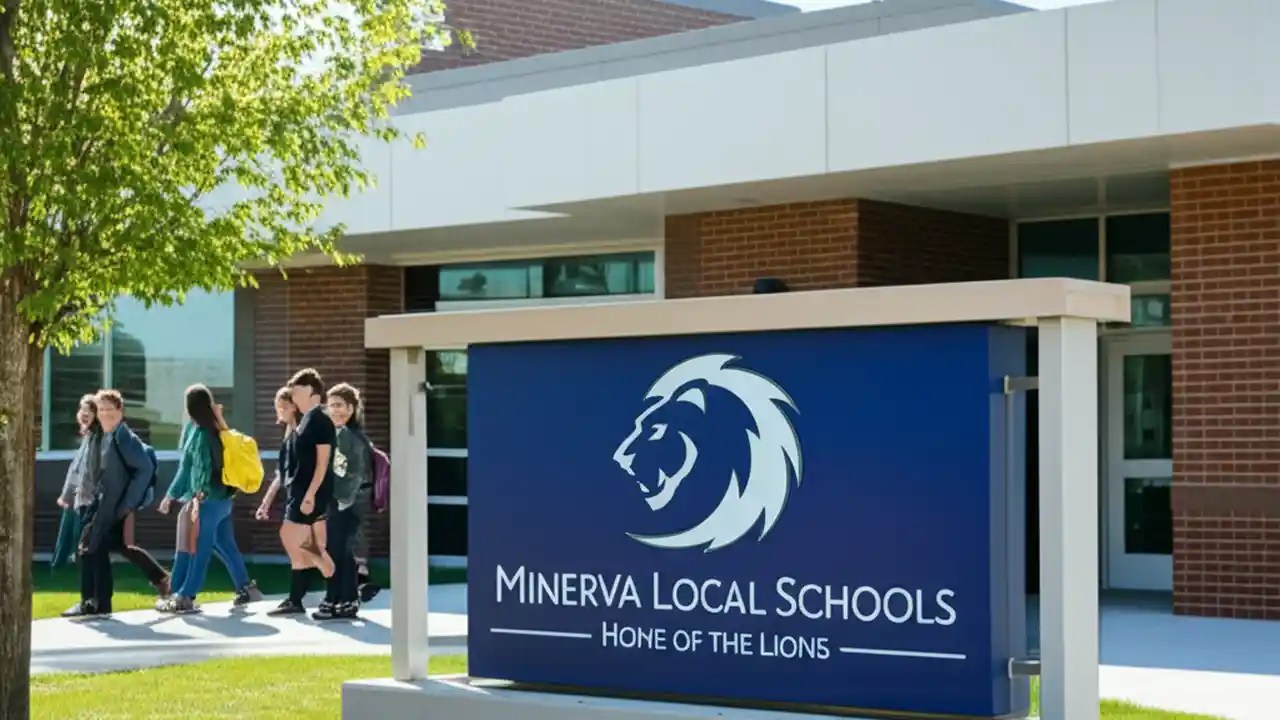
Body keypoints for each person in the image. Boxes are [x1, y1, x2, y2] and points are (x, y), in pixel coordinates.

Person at [156, 384, 263, 613]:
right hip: (223, 500)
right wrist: (173, 495)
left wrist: (180, 495)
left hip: (206, 500)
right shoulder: (216, 430)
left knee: (196, 548)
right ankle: (246, 588)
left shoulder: (199, 434)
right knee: (225, 544)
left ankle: (186, 596)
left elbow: (191, 468)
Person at [63, 390, 169, 618]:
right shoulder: (107, 436)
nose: (105, 414)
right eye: (101, 410)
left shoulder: (123, 437)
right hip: (103, 504)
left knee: (91, 548)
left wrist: (127, 504)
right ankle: (97, 603)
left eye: (110, 410)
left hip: (112, 506)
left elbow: (145, 469)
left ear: (120, 412)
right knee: (96, 549)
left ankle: (93, 602)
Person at [267, 368, 336, 616]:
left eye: (297, 391)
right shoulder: (307, 420)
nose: (294, 396)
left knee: (296, 540)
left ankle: (334, 582)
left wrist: (310, 494)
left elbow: (323, 462)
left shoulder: (320, 420)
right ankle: (297, 599)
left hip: (310, 493)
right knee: (308, 544)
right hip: (301, 491)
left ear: (312, 392)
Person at [314, 383, 369, 620]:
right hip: (345, 503)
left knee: (333, 553)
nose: (335, 410)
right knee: (342, 554)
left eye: (340, 405)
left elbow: (351, 474)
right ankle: (346, 601)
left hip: (343, 504)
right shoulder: (344, 434)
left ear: (352, 408)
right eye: (331, 405)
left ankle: (334, 600)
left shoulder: (348, 436)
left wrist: (338, 499)